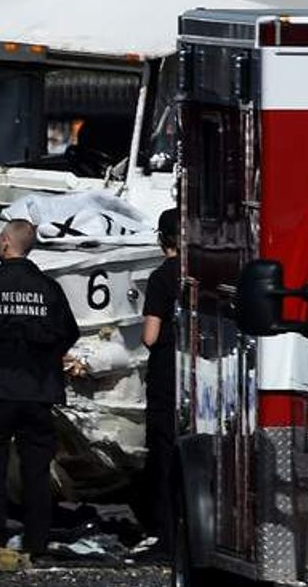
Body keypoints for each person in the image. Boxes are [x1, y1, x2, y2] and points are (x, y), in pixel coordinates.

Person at [0, 219, 79, 558]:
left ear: (6, 242)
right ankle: (36, 543)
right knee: (36, 469)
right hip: (38, 389)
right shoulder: (49, 289)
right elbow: (68, 332)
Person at [140, 208, 180, 553]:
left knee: (164, 453)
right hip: (202, 367)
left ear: (162, 239)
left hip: (167, 371)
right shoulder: (205, 273)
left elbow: (150, 336)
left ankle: (165, 534)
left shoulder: (161, 277)